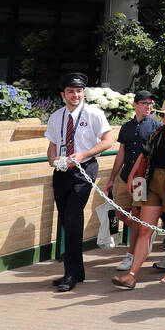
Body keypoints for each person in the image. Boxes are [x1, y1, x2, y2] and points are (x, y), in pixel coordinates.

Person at [112, 99, 165, 289]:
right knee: (145, 229)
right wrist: (132, 178)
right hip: (153, 182)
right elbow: (144, 155)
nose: (163, 118)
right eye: (162, 114)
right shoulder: (158, 133)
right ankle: (132, 275)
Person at [45, 72, 114, 291]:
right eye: (71, 91)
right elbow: (53, 144)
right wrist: (52, 159)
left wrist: (83, 155)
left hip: (84, 169)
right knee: (66, 220)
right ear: (63, 94)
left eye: (79, 91)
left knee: (73, 217)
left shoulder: (93, 113)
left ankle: (70, 275)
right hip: (63, 170)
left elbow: (108, 141)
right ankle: (78, 271)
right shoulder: (57, 116)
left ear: (84, 92)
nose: (75, 95)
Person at [105, 90, 159, 273]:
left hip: (141, 179)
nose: (148, 106)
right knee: (121, 213)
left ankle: (132, 254)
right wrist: (113, 177)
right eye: (144, 103)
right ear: (135, 104)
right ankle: (147, 231)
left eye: (150, 103)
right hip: (124, 176)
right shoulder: (126, 127)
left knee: (136, 214)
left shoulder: (156, 126)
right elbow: (121, 152)